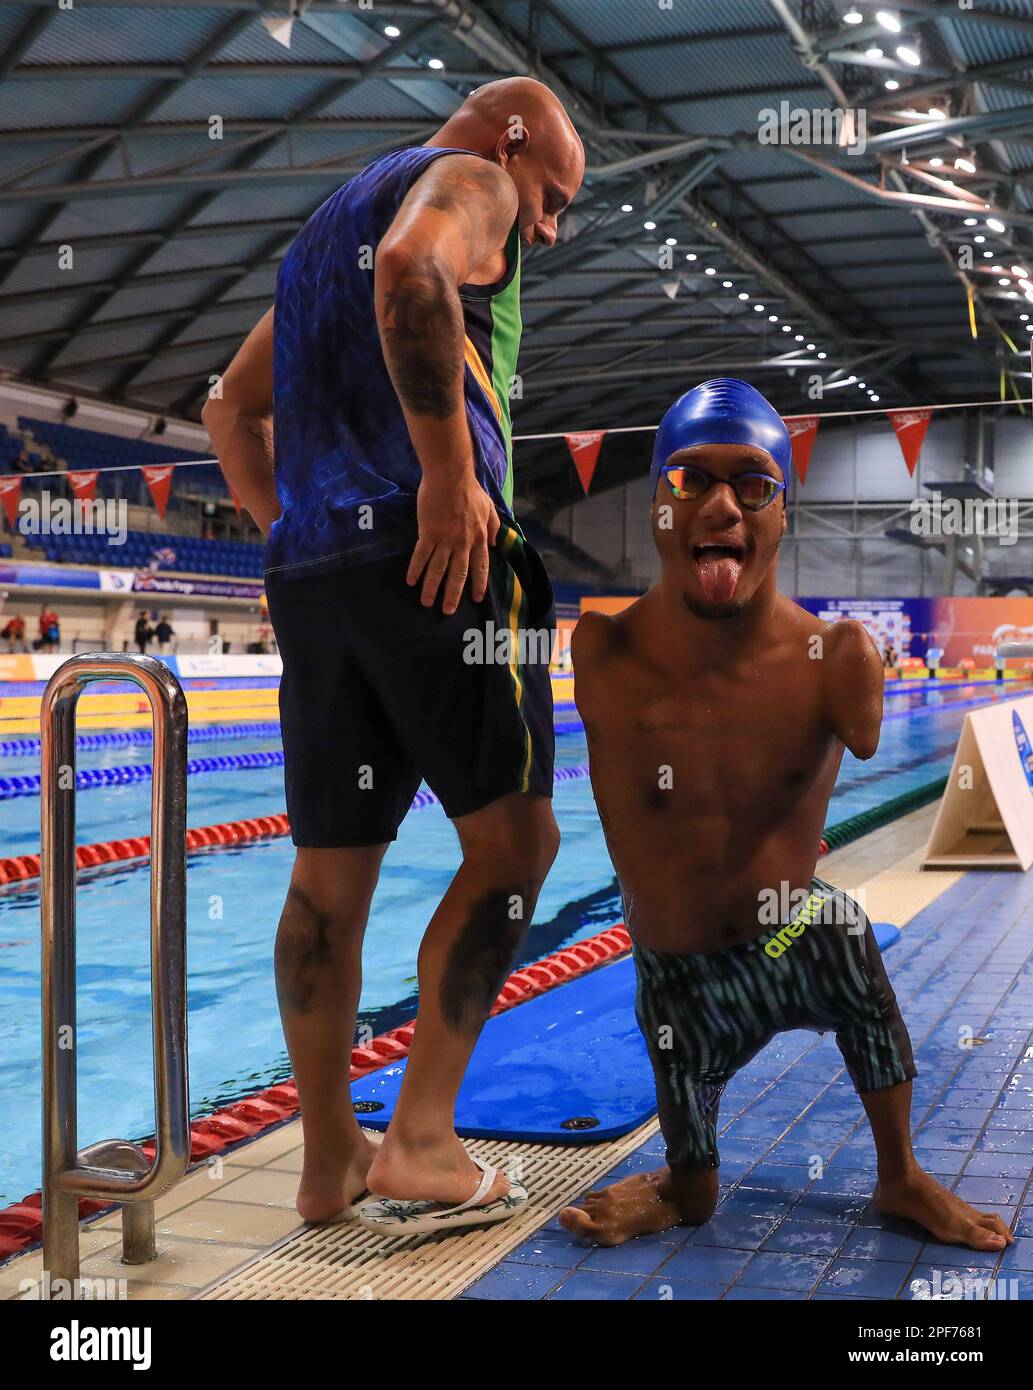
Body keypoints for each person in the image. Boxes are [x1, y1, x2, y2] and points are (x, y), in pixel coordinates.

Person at [203, 77, 583, 1234]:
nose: (548, 227)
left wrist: (291, 535)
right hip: (436, 562)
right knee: (516, 840)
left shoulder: (322, 229)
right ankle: (418, 1141)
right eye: (553, 194)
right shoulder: (469, 182)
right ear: (513, 140)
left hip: (317, 579)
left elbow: (228, 407)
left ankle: (328, 1164)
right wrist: (449, 479)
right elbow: (414, 271)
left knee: (328, 876)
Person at [560, 378, 1014, 1255]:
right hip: (676, 979)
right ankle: (687, 1172)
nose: (721, 504)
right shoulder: (603, 651)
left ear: (781, 515)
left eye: (753, 485)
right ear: (657, 504)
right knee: (691, 1198)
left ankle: (900, 1175)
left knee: (837, 927)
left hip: (785, 944)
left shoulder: (837, 659)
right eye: (690, 480)